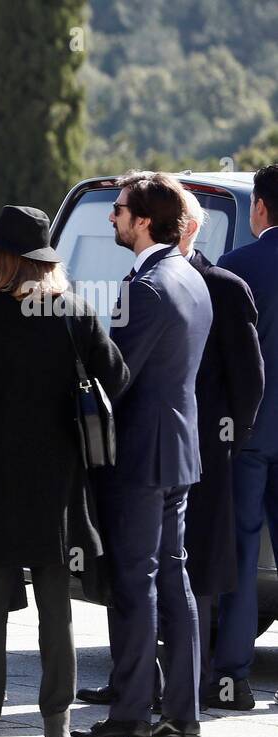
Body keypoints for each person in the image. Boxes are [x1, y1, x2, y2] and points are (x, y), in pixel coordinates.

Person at [0, 205, 129, 737]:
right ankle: (57, 726)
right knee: (56, 605)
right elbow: (116, 376)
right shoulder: (74, 311)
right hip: (61, 481)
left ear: (2, 260)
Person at [75, 172, 212, 737]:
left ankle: (132, 713)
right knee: (172, 578)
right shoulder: (190, 277)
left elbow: (116, 377)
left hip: (140, 457)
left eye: (120, 209)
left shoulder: (146, 287)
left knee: (136, 583)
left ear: (145, 221)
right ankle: (182, 712)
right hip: (177, 452)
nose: (113, 216)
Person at [211, 163, 278, 709]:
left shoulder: (235, 268)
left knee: (241, 546)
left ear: (259, 208)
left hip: (250, 431)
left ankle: (232, 675)